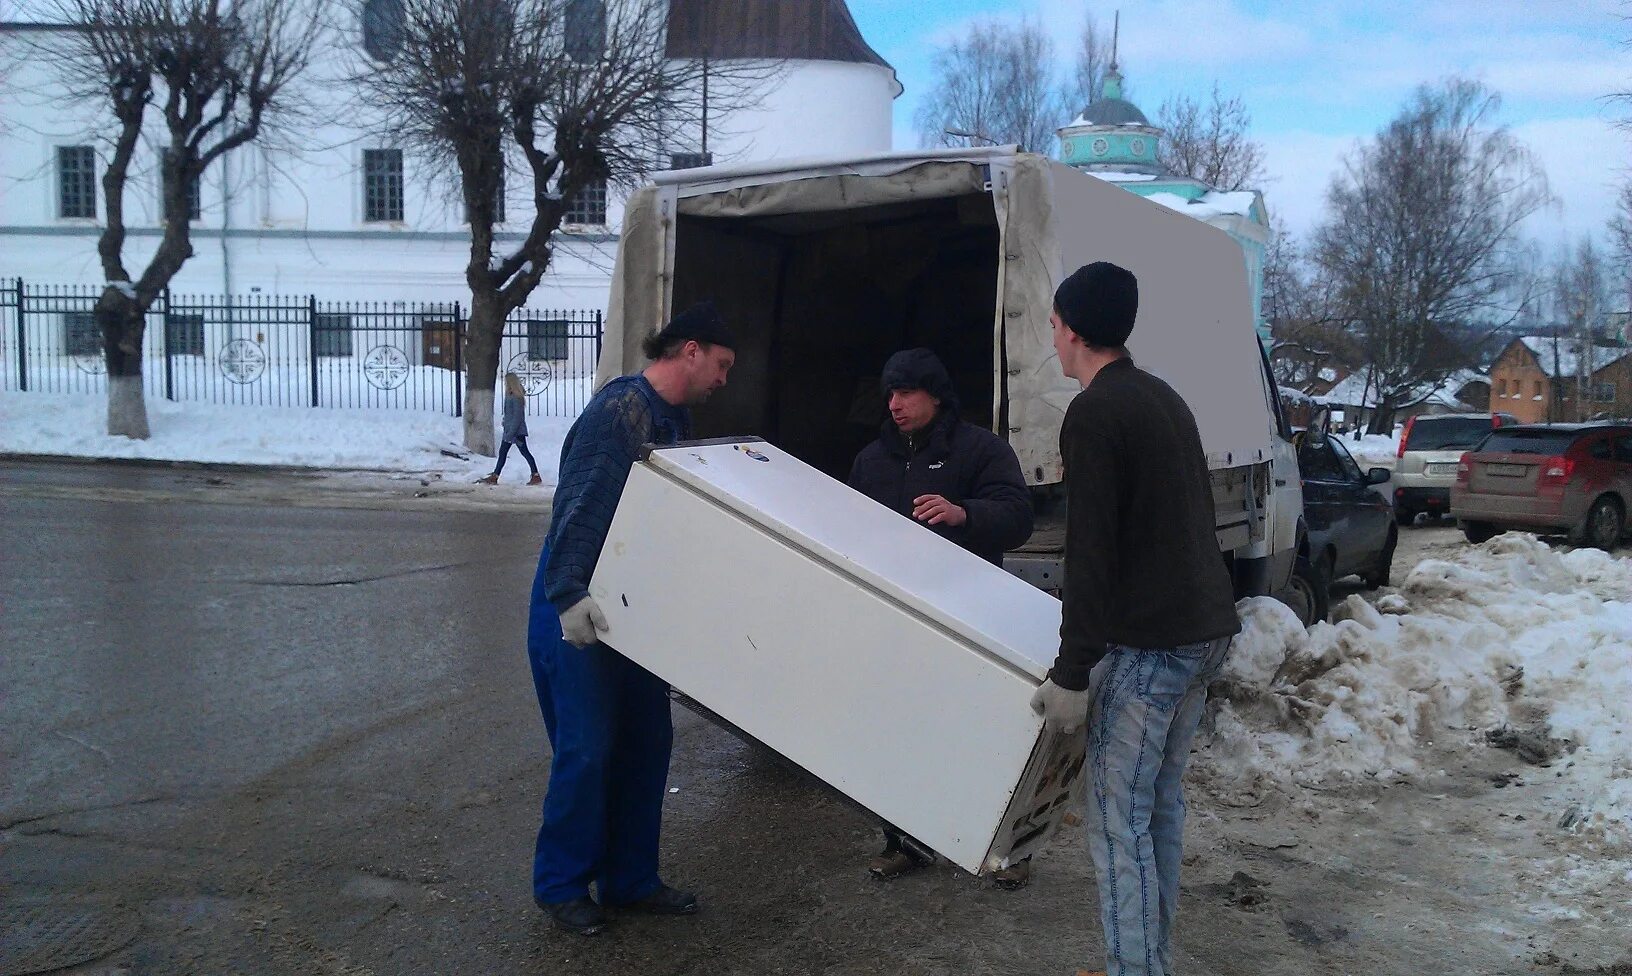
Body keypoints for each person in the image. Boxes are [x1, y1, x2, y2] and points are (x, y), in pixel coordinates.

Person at [1029, 262, 1241, 976]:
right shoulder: (1162, 397)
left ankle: (1135, 967)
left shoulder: (1093, 412)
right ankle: (1146, 958)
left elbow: (1092, 551)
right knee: (1155, 810)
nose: (1052, 340)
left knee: (1118, 825)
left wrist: (1071, 672)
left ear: (1076, 330)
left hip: (1153, 647)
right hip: (1202, 632)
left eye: (1055, 326)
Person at [526, 302, 736, 936]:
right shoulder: (621, 411)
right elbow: (580, 502)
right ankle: (561, 885)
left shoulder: (673, 419)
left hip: (635, 602)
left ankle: (630, 879)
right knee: (587, 749)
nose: (725, 378)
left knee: (647, 741)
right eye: (722, 364)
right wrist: (566, 592)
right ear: (689, 350)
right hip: (580, 599)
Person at [847, 347, 1035, 886]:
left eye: (906, 392)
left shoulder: (981, 450)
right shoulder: (871, 460)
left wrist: (964, 513)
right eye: (889, 393)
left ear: (936, 395)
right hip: (901, 618)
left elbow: (1018, 517)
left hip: (973, 615)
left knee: (988, 731)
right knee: (902, 727)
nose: (896, 404)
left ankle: (1008, 852)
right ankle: (906, 841)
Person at [479, 372, 541, 485]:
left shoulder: (516, 398)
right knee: (507, 453)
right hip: (511, 430)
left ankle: (535, 475)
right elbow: (511, 415)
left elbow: (517, 417)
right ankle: (496, 475)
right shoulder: (511, 396)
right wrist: (505, 422)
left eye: (506, 382)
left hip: (515, 433)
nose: (505, 384)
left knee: (523, 452)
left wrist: (510, 433)